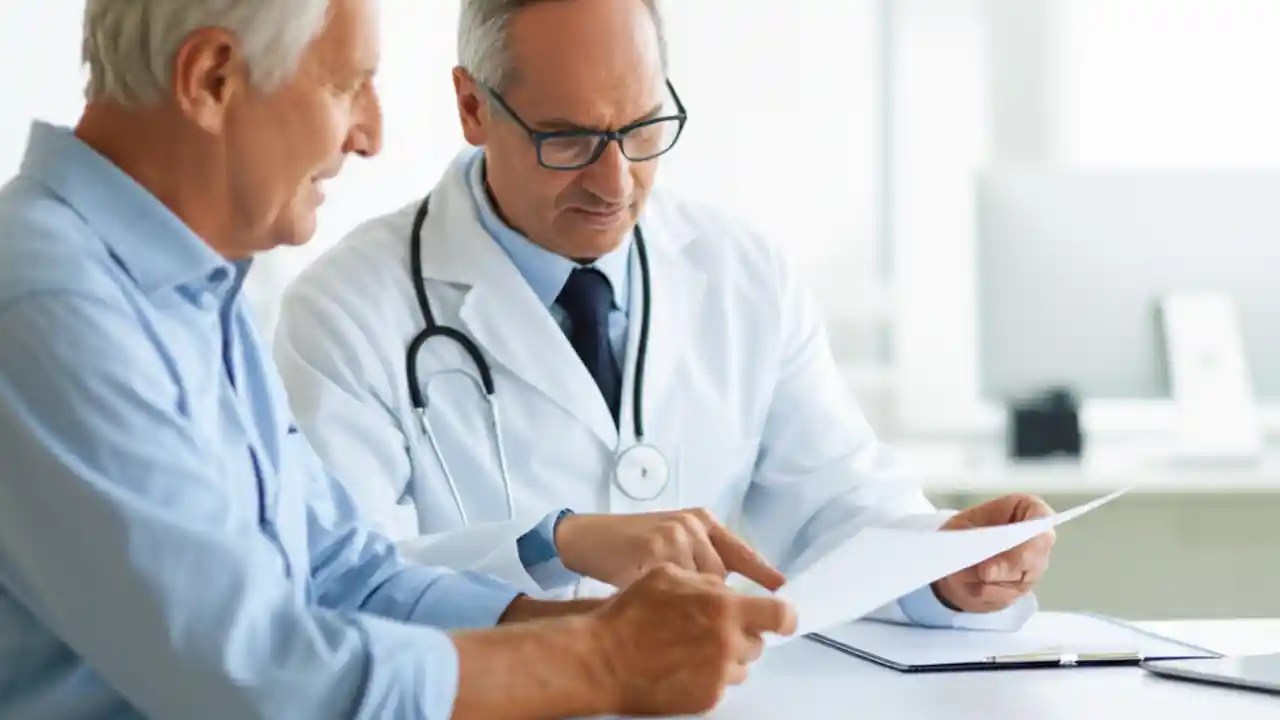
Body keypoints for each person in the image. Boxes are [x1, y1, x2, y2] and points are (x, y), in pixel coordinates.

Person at [0, 1, 795, 718]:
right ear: (212, 78)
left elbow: (350, 575)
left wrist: (627, 630)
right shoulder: (47, 304)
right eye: (348, 86)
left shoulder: (193, 294)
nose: (370, 134)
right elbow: (248, 676)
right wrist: (608, 660)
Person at [274, 0, 1055, 627]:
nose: (614, 183)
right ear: (474, 108)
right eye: (568, 139)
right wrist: (555, 545)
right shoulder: (347, 311)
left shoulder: (740, 273)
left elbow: (836, 507)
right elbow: (340, 583)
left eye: (643, 128)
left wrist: (947, 566)